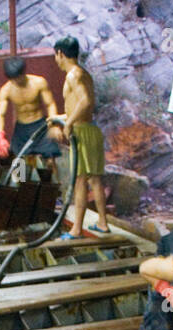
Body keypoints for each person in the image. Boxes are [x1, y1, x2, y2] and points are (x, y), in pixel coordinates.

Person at [49, 37, 109, 238]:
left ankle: (76, 230)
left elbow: (85, 101)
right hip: (89, 128)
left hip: (82, 132)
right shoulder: (83, 73)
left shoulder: (73, 75)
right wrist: (58, 118)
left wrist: (67, 124)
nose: (55, 60)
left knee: (81, 181)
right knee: (95, 179)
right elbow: (80, 107)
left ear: (60, 54)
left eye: (55, 56)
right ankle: (102, 223)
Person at [0, 56, 60, 172]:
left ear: (23, 73)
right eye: (12, 79)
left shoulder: (39, 82)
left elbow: (50, 104)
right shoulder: (6, 90)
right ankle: (23, 188)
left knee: (50, 161)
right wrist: (0, 137)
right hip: (22, 128)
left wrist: (54, 124)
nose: (15, 81)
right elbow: (0, 114)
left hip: (41, 125)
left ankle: (56, 188)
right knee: (19, 164)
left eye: (17, 78)